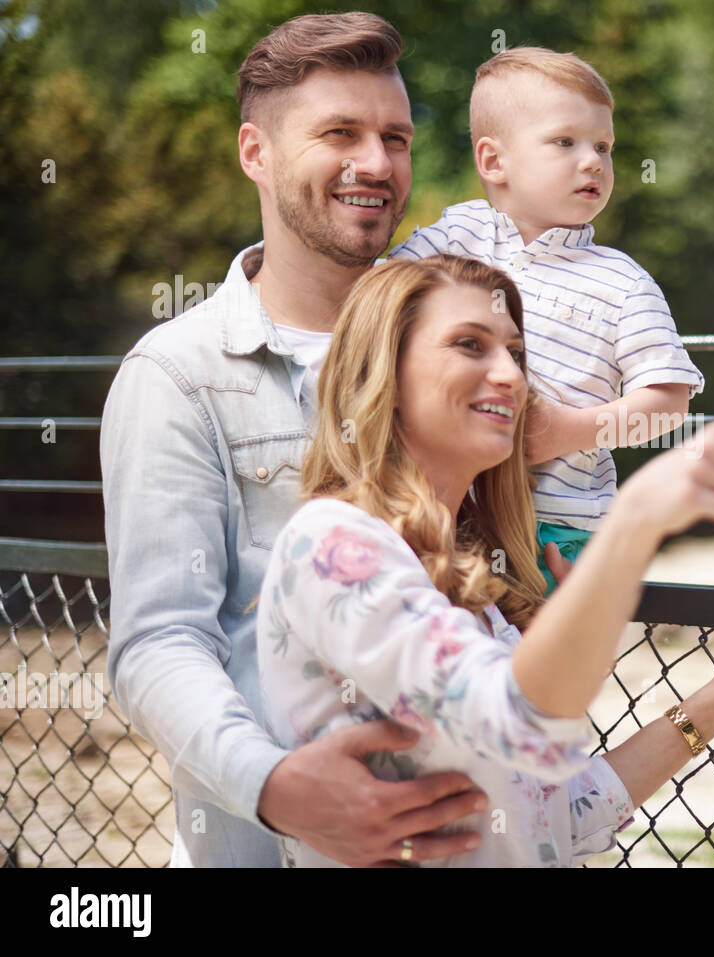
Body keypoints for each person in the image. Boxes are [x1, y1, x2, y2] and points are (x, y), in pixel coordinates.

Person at [256, 253, 714, 866]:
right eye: (470, 345)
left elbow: (561, 812)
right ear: (383, 375)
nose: (511, 375)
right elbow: (520, 723)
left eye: (517, 354)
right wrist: (631, 524)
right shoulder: (335, 543)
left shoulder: (474, 590)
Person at [100, 12, 493, 867]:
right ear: (256, 153)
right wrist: (277, 788)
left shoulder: (463, 357)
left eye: (396, 136)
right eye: (339, 133)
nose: (376, 164)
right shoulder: (178, 373)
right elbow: (157, 641)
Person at [388, 47, 704, 592]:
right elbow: (379, 305)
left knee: (537, 670)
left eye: (604, 147)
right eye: (565, 142)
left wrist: (569, 432)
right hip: (442, 509)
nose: (593, 162)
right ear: (493, 162)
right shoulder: (456, 235)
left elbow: (670, 402)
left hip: (555, 529)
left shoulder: (622, 281)